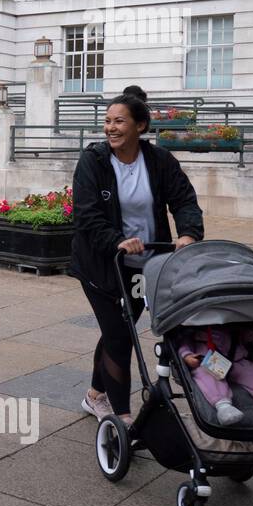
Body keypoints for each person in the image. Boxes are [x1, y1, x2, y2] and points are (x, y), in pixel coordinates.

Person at [69, 85, 203, 424]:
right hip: (101, 264)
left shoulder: (159, 161)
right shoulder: (93, 161)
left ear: (140, 126)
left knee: (120, 329)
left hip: (147, 265)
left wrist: (188, 234)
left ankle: (95, 395)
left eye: (119, 121)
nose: (110, 128)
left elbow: (184, 199)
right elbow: (86, 214)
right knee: (119, 333)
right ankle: (121, 414)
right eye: (107, 121)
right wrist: (117, 240)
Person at [176, 324, 253, 427]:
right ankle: (223, 406)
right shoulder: (196, 330)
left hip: (237, 360)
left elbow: (244, 339)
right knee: (206, 377)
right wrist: (187, 356)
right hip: (208, 361)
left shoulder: (234, 327)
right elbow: (184, 344)